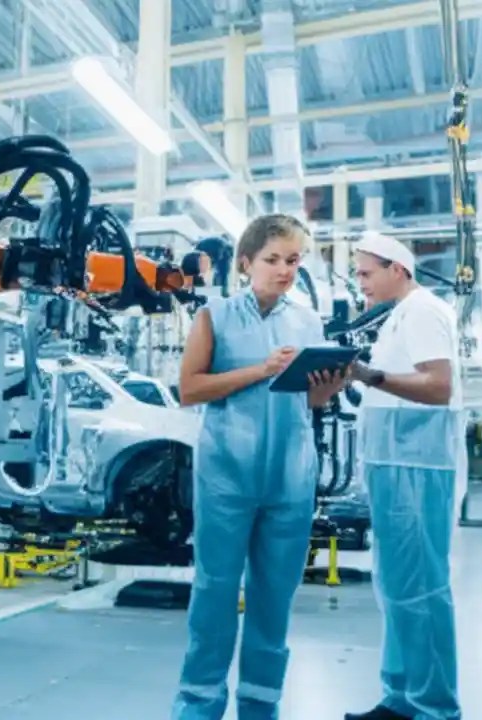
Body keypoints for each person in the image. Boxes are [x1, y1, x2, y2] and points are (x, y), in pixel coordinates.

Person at [171, 213, 349, 720]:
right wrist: (261, 369)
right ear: (246, 263)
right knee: (215, 592)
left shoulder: (308, 321)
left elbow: (312, 405)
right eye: (273, 260)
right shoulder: (215, 316)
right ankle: (199, 701)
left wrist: (329, 383)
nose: (285, 270)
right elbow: (190, 389)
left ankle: (260, 703)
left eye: (293, 260)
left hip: (290, 477)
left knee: (274, 598)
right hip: (227, 472)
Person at [343, 232, 464, 720]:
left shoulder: (424, 312)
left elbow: (438, 386)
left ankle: (434, 707)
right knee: (396, 587)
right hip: (394, 463)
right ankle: (400, 698)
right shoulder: (399, 318)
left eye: (366, 273)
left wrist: (367, 375)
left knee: (421, 590)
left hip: (417, 464)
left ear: (398, 269)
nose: (361, 284)